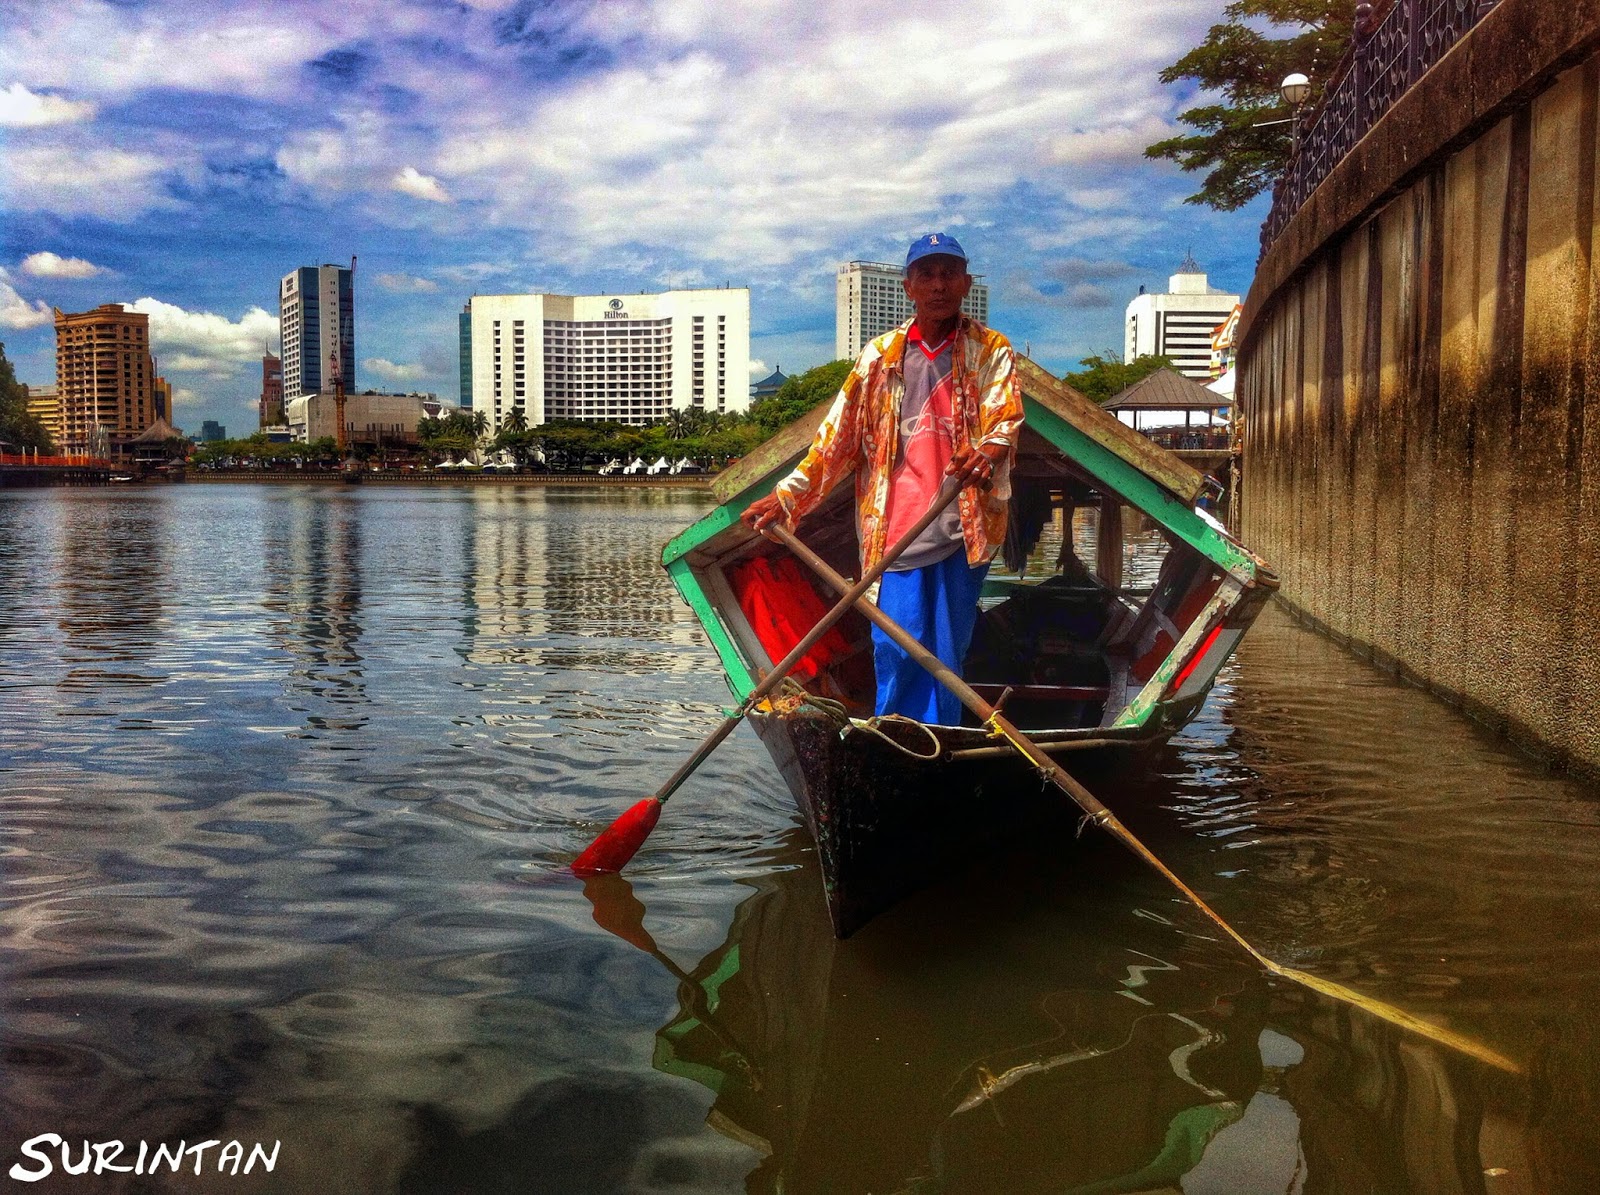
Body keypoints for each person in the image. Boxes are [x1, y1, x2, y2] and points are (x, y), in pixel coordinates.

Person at [742, 232, 1024, 724]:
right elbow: (835, 442)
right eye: (926, 275)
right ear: (908, 286)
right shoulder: (879, 357)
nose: (938, 285)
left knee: (946, 650)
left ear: (966, 283)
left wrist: (988, 449)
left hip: (964, 525)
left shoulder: (990, 349)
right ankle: (895, 732)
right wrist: (784, 499)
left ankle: (940, 735)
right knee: (896, 640)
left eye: (947, 274)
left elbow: (1004, 417)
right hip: (894, 528)